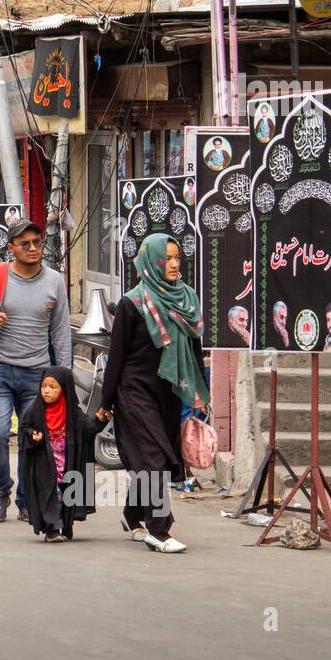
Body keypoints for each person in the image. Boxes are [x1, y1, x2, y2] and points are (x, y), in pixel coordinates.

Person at [100, 233, 208, 554]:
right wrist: (105, 404)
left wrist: (199, 395)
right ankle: (158, 531)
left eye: (177, 258)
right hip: (134, 393)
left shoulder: (186, 299)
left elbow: (194, 349)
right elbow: (116, 358)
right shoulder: (131, 304)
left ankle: (132, 516)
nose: (174, 265)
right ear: (152, 261)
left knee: (154, 459)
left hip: (169, 395)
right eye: (167, 259)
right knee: (154, 459)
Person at [0, 218, 73, 524]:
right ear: (11, 248)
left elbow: (61, 332)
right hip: (0, 371)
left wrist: (64, 377)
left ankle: (25, 498)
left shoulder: (54, 281)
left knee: (32, 439)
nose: (34, 248)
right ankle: (1, 491)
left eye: (37, 242)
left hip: (38, 375)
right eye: (25, 244)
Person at [19, 367, 111, 542]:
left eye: (53, 387)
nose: (46, 390)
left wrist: (100, 419)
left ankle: (64, 525)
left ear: (65, 389)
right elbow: (24, 427)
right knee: (51, 495)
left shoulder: (72, 412)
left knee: (66, 494)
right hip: (44, 464)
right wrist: (32, 435)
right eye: (44, 385)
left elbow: (88, 429)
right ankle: (52, 531)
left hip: (67, 464)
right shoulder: (35, 409)